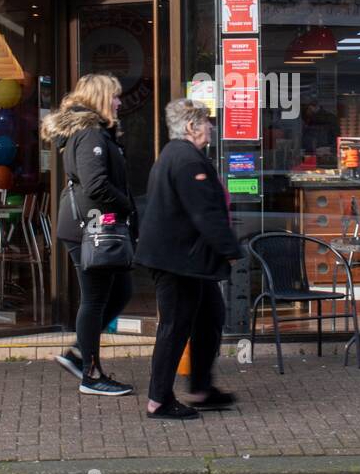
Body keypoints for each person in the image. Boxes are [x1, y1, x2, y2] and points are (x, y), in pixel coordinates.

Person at [136, 98, 242, 420]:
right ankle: (158, 400)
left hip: (184, 258)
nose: (211, 127)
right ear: (191, 127)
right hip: (178, 261)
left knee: (209, 316)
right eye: (206, 122)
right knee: (175, 326)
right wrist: (231, 251)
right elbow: (205, 213)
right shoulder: (187, 161)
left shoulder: (177, 155)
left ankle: (200, 388)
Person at [40, 73, 136, 396]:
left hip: (89, 225)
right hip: (89, 228)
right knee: (94, 298)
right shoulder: (91, 133)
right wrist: (127, 206)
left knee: (120, 290)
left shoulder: (94, 133)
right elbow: (95, 184)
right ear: (100, 98)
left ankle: (80, 353)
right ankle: (91, 374)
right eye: (115, 96)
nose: (119, 102)